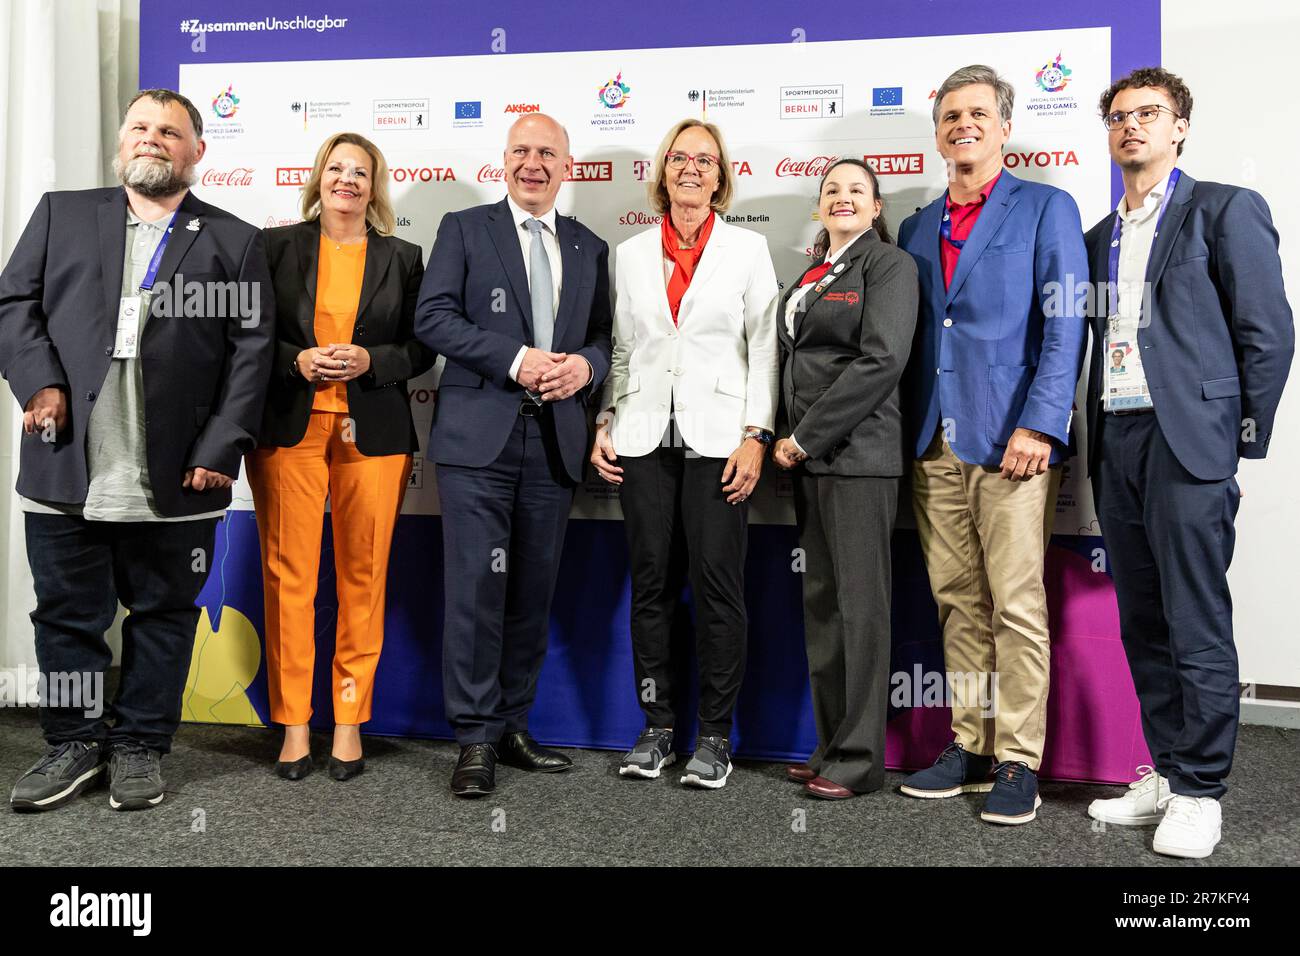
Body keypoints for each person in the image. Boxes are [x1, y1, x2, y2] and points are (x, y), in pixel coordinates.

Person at [1, 89, 273, 811]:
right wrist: (39, 386)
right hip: (67, 462)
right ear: (123, 143)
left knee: (163, 614)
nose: (153, 140)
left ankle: (142, 745)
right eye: (141, 128)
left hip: (181, 472)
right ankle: (74, 742)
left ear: (196, 152)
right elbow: (14, 306)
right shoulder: (63, 214)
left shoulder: (234, 239)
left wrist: (221, 446)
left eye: (170, 131)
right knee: (66, 616)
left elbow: (252, 354)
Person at [1082, 67, 1293, 858]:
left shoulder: (1225, 209)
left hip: (1187, 443)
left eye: (1149, 114)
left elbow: (1269, 332)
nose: (1131, 126)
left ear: (1180, 129)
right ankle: (1167, 773)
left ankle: (1203, 791)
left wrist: (1232, 434)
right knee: (1143, 620)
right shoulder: (1099, 235)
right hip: (1119, 439)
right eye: (1119, 116)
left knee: (1196, 621)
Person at [896, 65, 1087, 824]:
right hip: (933, 440)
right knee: (957, 602)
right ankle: (970, 743)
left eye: (977, 113)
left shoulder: (1046, 207)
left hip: (1013, 440)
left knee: (1016, 605)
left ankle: (1018, 758)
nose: (962, 125)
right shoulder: (915, 225)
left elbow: (1066, 323)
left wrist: (1041, 422)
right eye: (950, 116)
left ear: (1004, 127)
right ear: (938, 131)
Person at [415, 113, 612, 798]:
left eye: (548, 153)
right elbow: (433, 317)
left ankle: (510, 724)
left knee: (531, 594)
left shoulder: (589, 246)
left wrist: (585, 370)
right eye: (523, 151)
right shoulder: (464, 230)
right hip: (478, 445)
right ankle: (472, 740)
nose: (534, 163)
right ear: (504, 160)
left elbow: (602, 337)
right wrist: (518, 360)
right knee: (475, 592)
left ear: (568, 166)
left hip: (555, 443)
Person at [590, 119, 778, 790]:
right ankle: (658, 727)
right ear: (663, 173)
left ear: (721, 176)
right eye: (678, 158)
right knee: (651, 589)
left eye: (704, 160)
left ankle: (717, 736)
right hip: (644, 440)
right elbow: (619, 345)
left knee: (720, 590)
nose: (690, 168)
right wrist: (607, 417)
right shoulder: (631, 253)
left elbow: (764, 348)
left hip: (720, 442)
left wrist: (757, 435)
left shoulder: (749, 250)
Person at [249, 132, 433, 782]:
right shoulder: (274, 247)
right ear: (318, 178)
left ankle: (349, 721)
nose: (348, 180)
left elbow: (421, 350)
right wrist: (295, 360)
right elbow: (246, 339)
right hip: (289, 430)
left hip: (372, 435)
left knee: (363, 576)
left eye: (361, 171)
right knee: (289, 576)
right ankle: (295, 723)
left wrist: (371, 361)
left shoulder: (403, 257)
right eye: (337, 168)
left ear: (374, 185)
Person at [772, 159, 918, 799]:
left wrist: (804, 438)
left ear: (877, 207)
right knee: (824, 606)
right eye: (831, 189)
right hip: (809, 462)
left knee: (860, 609)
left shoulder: (889, 267)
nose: (843, 197)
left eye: (857, 189)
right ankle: (832, 745)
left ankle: (861, 760)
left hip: (856, 458)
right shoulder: (811, 273)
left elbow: (882, 359)